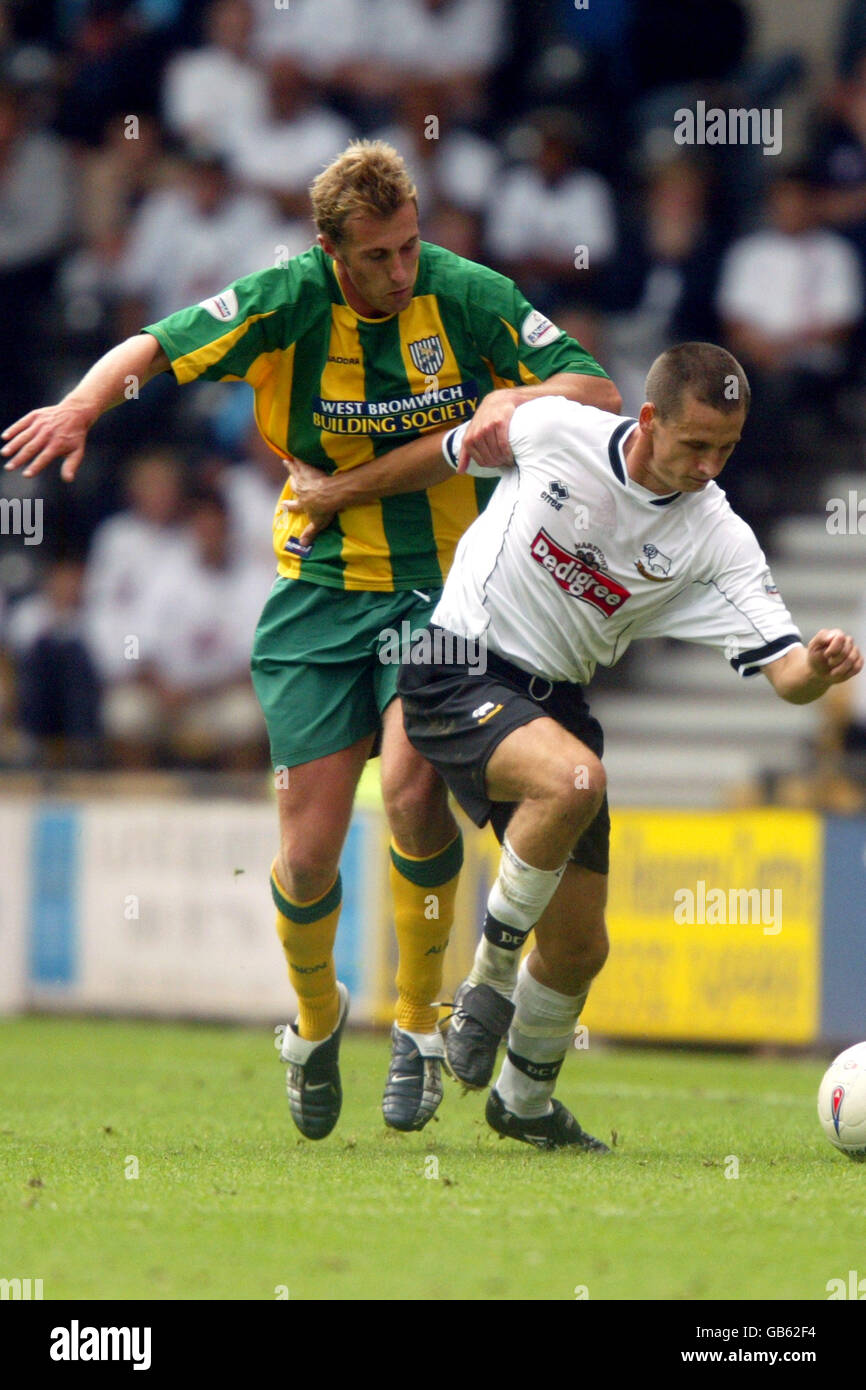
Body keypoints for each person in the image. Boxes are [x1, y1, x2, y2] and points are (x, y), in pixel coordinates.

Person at [1, 139, 620, 1140]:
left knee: (415, 791)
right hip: (318, 599)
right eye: (374, 256)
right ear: (330, 251)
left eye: (408, 246)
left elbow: (592, 391)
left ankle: (416, 1029)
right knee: (306, 854)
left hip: (443, 596)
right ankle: (316, 1020)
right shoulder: (285, 299)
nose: (398, 270)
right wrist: (79, 404)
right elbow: (154, 346)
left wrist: (511, 400)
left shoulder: (462, 293)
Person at [394, 341, 862, 1151]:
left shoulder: (716, 538)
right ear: (648, 420)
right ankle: (487, 983)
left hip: (557, 701)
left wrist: (819, 671)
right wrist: (485, 410)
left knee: (580, 948)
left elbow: (785, 673)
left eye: (726, 449)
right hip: (456, 663)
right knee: (575, 779)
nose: (709, 466)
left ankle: (524, 1102)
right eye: (694, 445)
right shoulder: (554, 432)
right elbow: (462, 444)